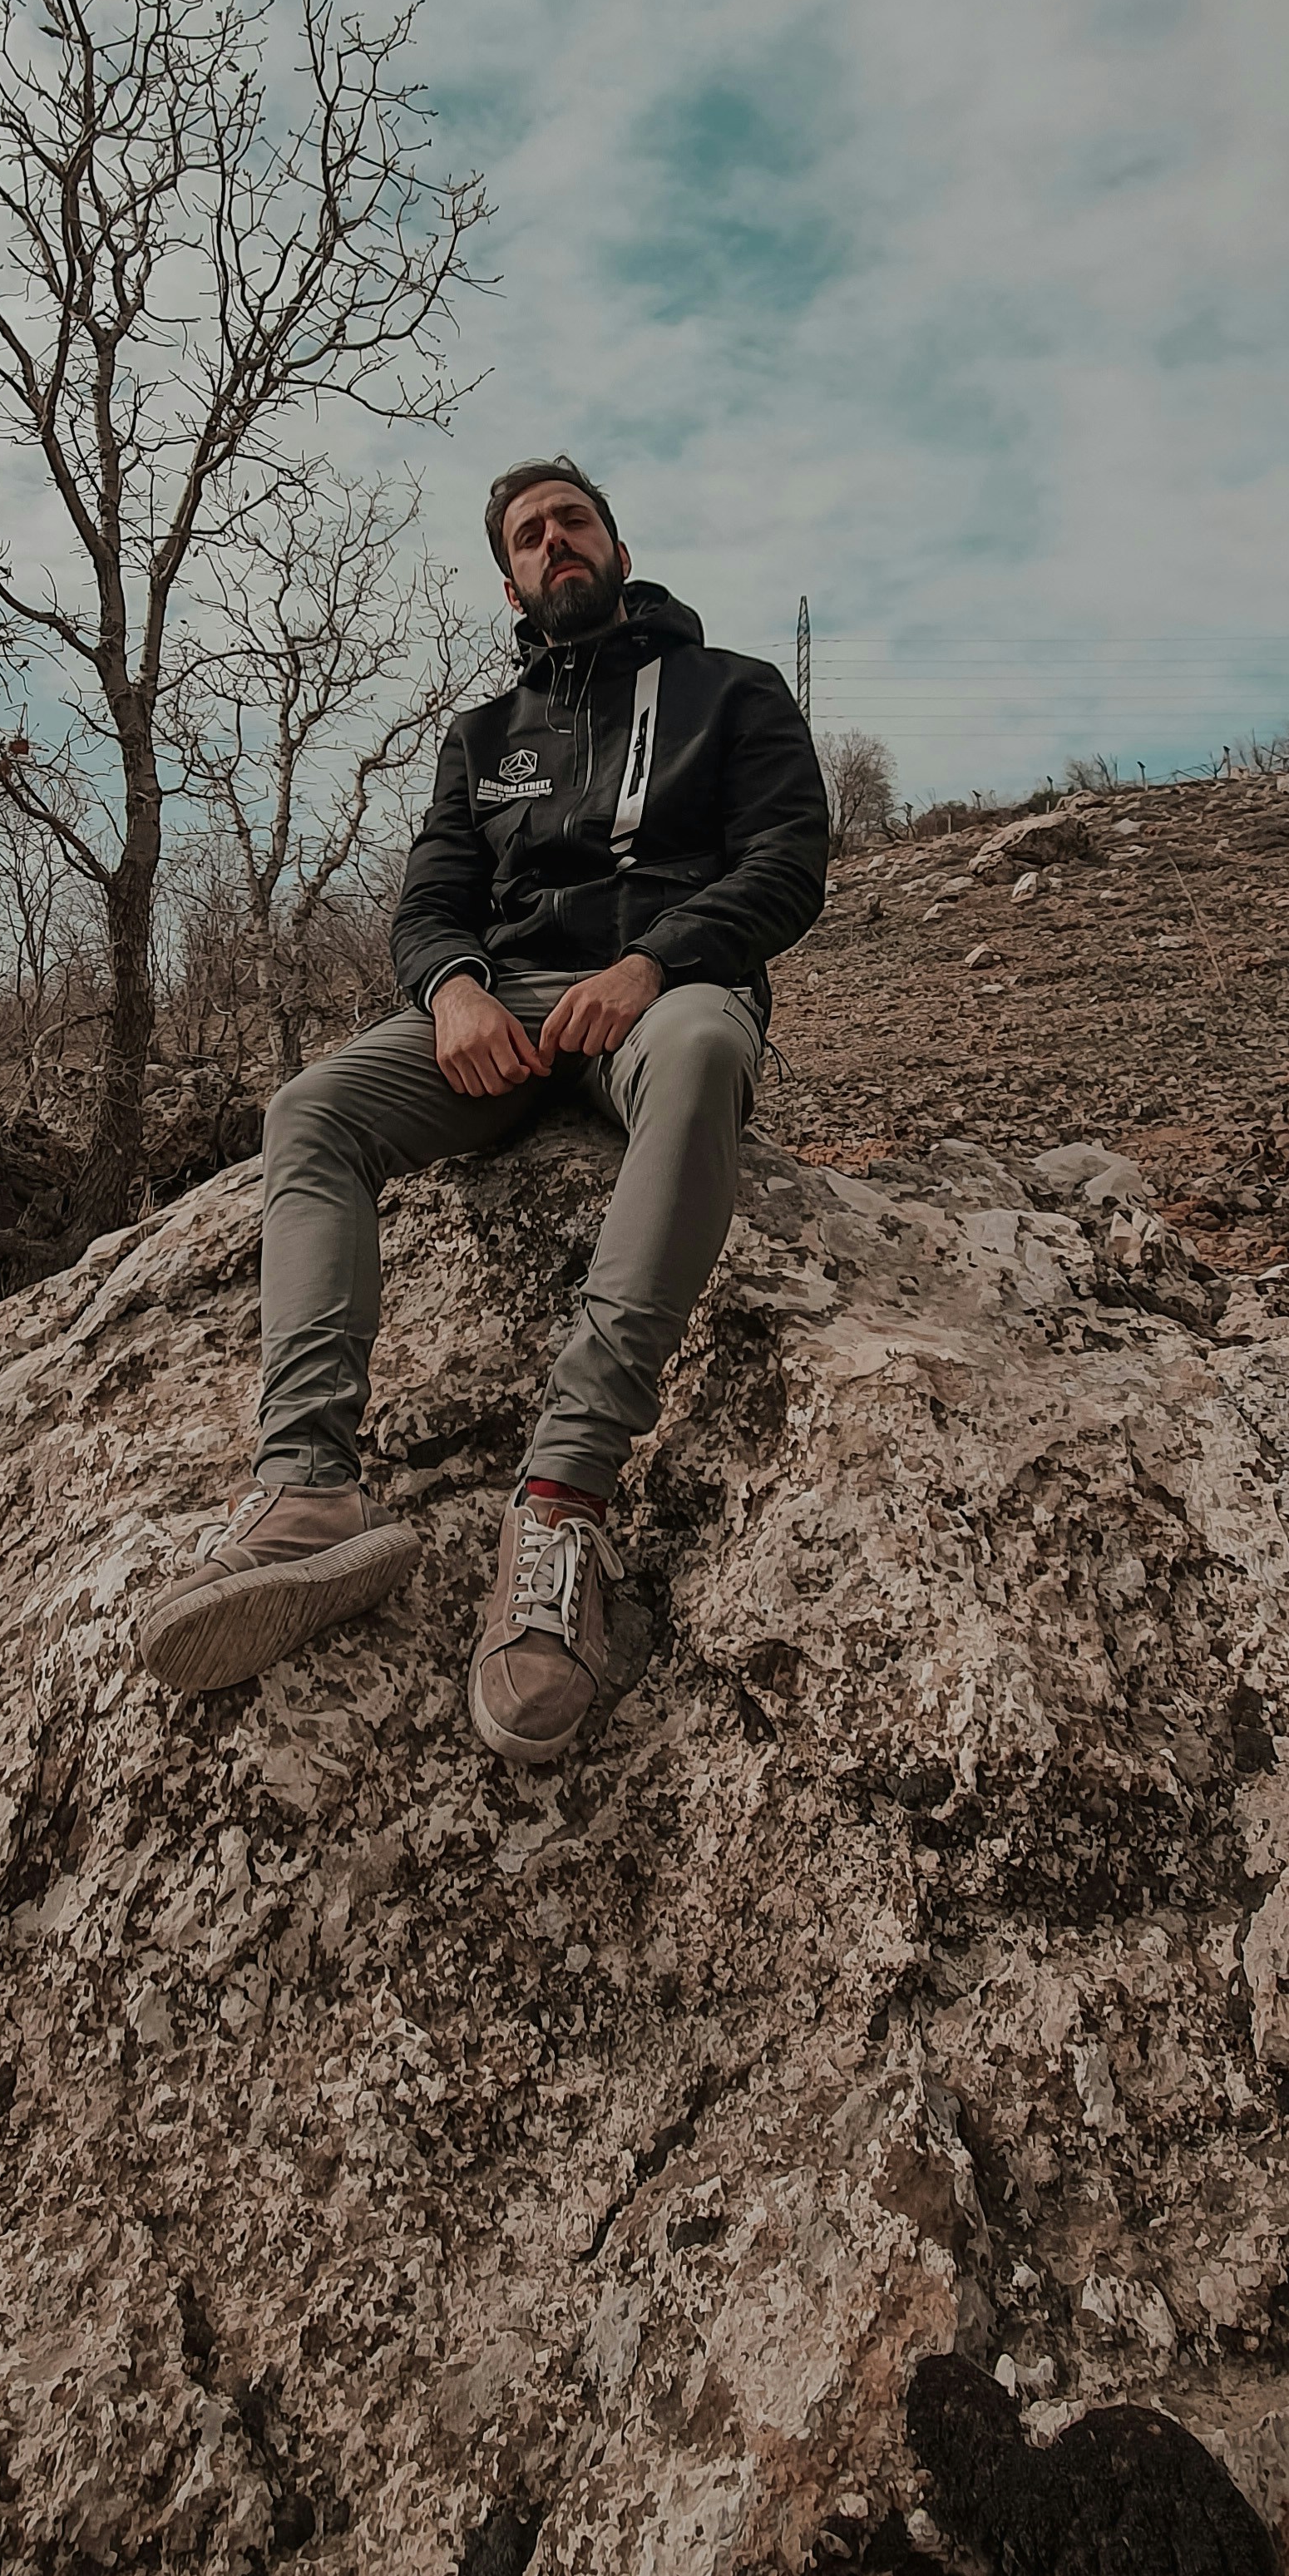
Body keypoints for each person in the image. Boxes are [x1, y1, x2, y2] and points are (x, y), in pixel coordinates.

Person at [139, 454, 831, 1764]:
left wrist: (655, 962)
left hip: (663, 993)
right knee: (311, 1111)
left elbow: (790, 862)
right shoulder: (484, 736)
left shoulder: (732, 691)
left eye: (573, 521)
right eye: (528, 535)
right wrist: (453, 990)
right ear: (508, 576)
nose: (554, 542)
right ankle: (306, 1496)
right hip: (502, 1017)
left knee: (693, 1061)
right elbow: (431, 898)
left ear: (616, 544)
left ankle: (561, 1503)